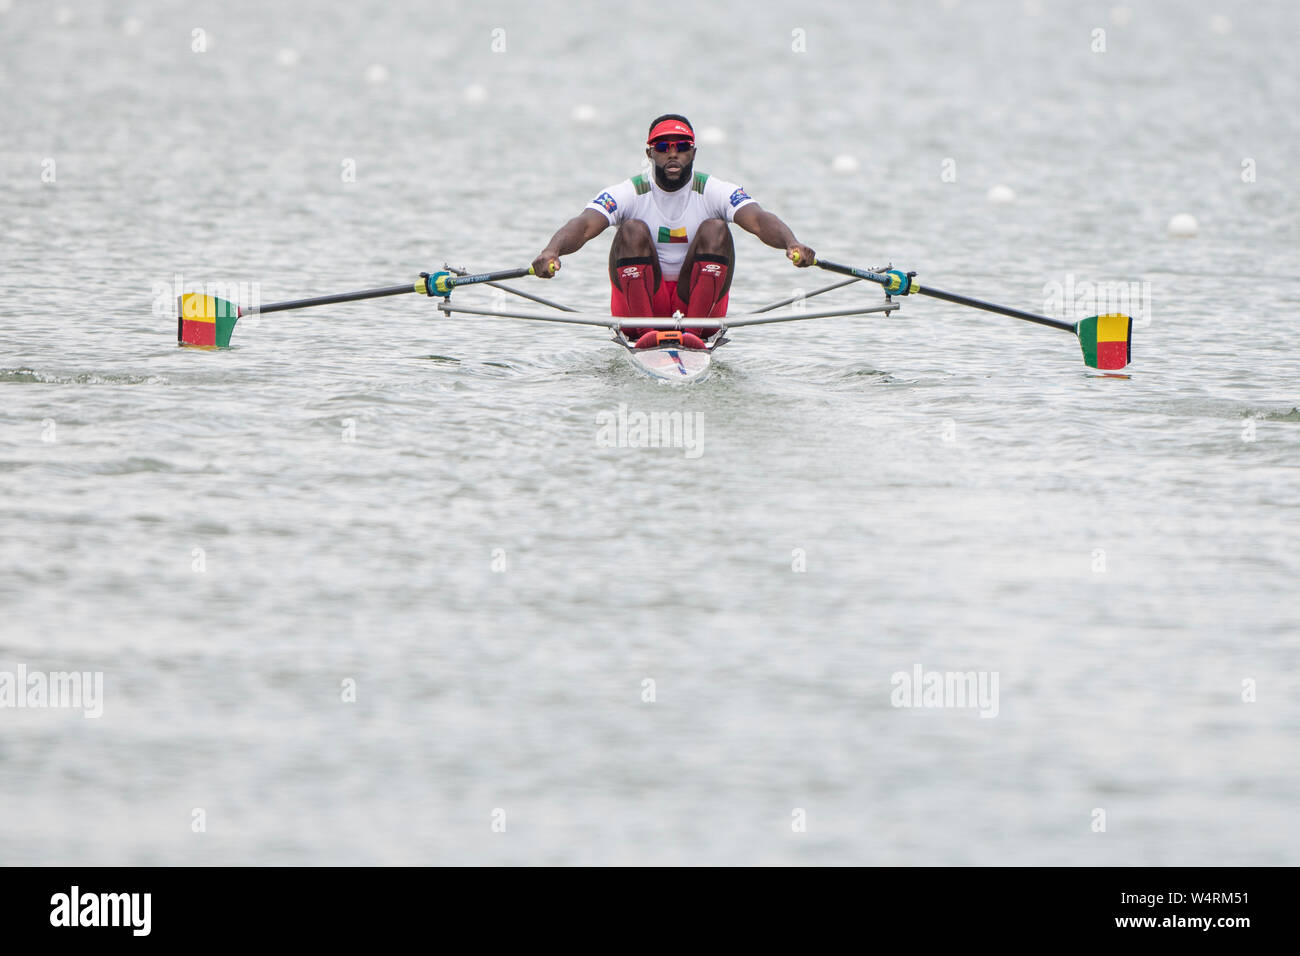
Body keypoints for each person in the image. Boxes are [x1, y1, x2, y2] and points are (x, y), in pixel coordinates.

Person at [530, 113, 816, 349]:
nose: (673, 153)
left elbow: (758, 220)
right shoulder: (630, 192)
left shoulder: (714, 191)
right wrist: (551, 251)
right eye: (663, 147)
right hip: (640, 299)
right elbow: (583, 226)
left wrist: (791, 243)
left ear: (693, 151)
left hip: (697, 300)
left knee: (716, 228)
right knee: (631, 230)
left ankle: (698, 335)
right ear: (650, 153)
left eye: (681, 146)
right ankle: (642, 334)